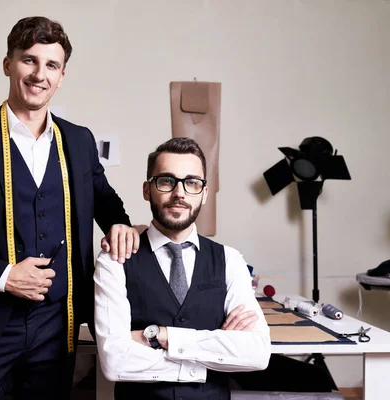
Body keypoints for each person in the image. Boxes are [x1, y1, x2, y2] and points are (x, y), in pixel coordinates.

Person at [0, 16, 139, 400]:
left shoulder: (80, 142)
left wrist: (121, 224)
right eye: (29, 60)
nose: (39, 74)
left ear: (62, 76)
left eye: (51, 65)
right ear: (7, 64)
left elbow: (108, 203)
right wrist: (3, 275)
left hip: (57, 327)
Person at [94, 137, 271, 399]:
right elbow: (115, 361)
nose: (180, 193)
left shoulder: (230, 260)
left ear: (205, 192)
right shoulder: (115, 260)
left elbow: (256, 353)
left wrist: (159, 337)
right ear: (147, 189)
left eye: (192, 183)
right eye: (166, 181)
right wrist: (211, 355)